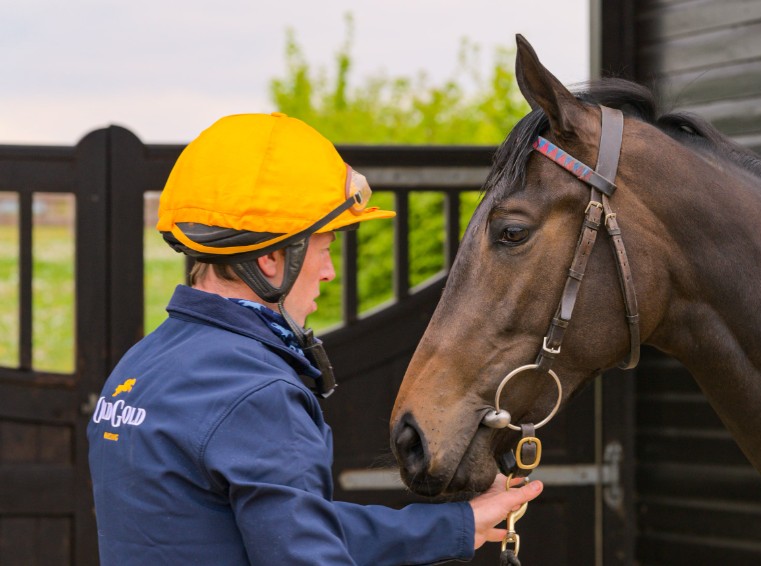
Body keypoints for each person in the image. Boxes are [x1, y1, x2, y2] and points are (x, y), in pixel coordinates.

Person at [87, 112, 542, 565]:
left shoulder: (140, 367)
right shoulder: (257, 394)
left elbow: (281, 525)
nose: (329, 272)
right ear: (271, 257)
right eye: (323, 249)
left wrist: (457, 524)